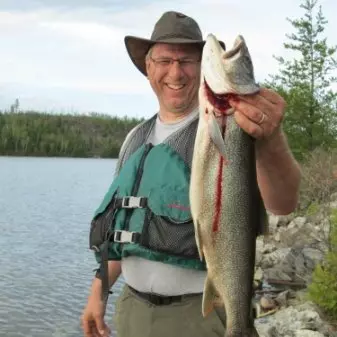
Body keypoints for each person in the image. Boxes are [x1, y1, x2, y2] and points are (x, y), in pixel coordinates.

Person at [81, 10, 301, 337]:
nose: (176, 71)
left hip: (204, 316)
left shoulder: (236, 126)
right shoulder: (134, 140)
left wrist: (271, 140)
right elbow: (124, 229)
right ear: (148, 68)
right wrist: (98, 293)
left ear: (201, 69)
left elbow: (284, 203)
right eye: (164, 60)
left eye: (187, 60)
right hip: (132, 311)